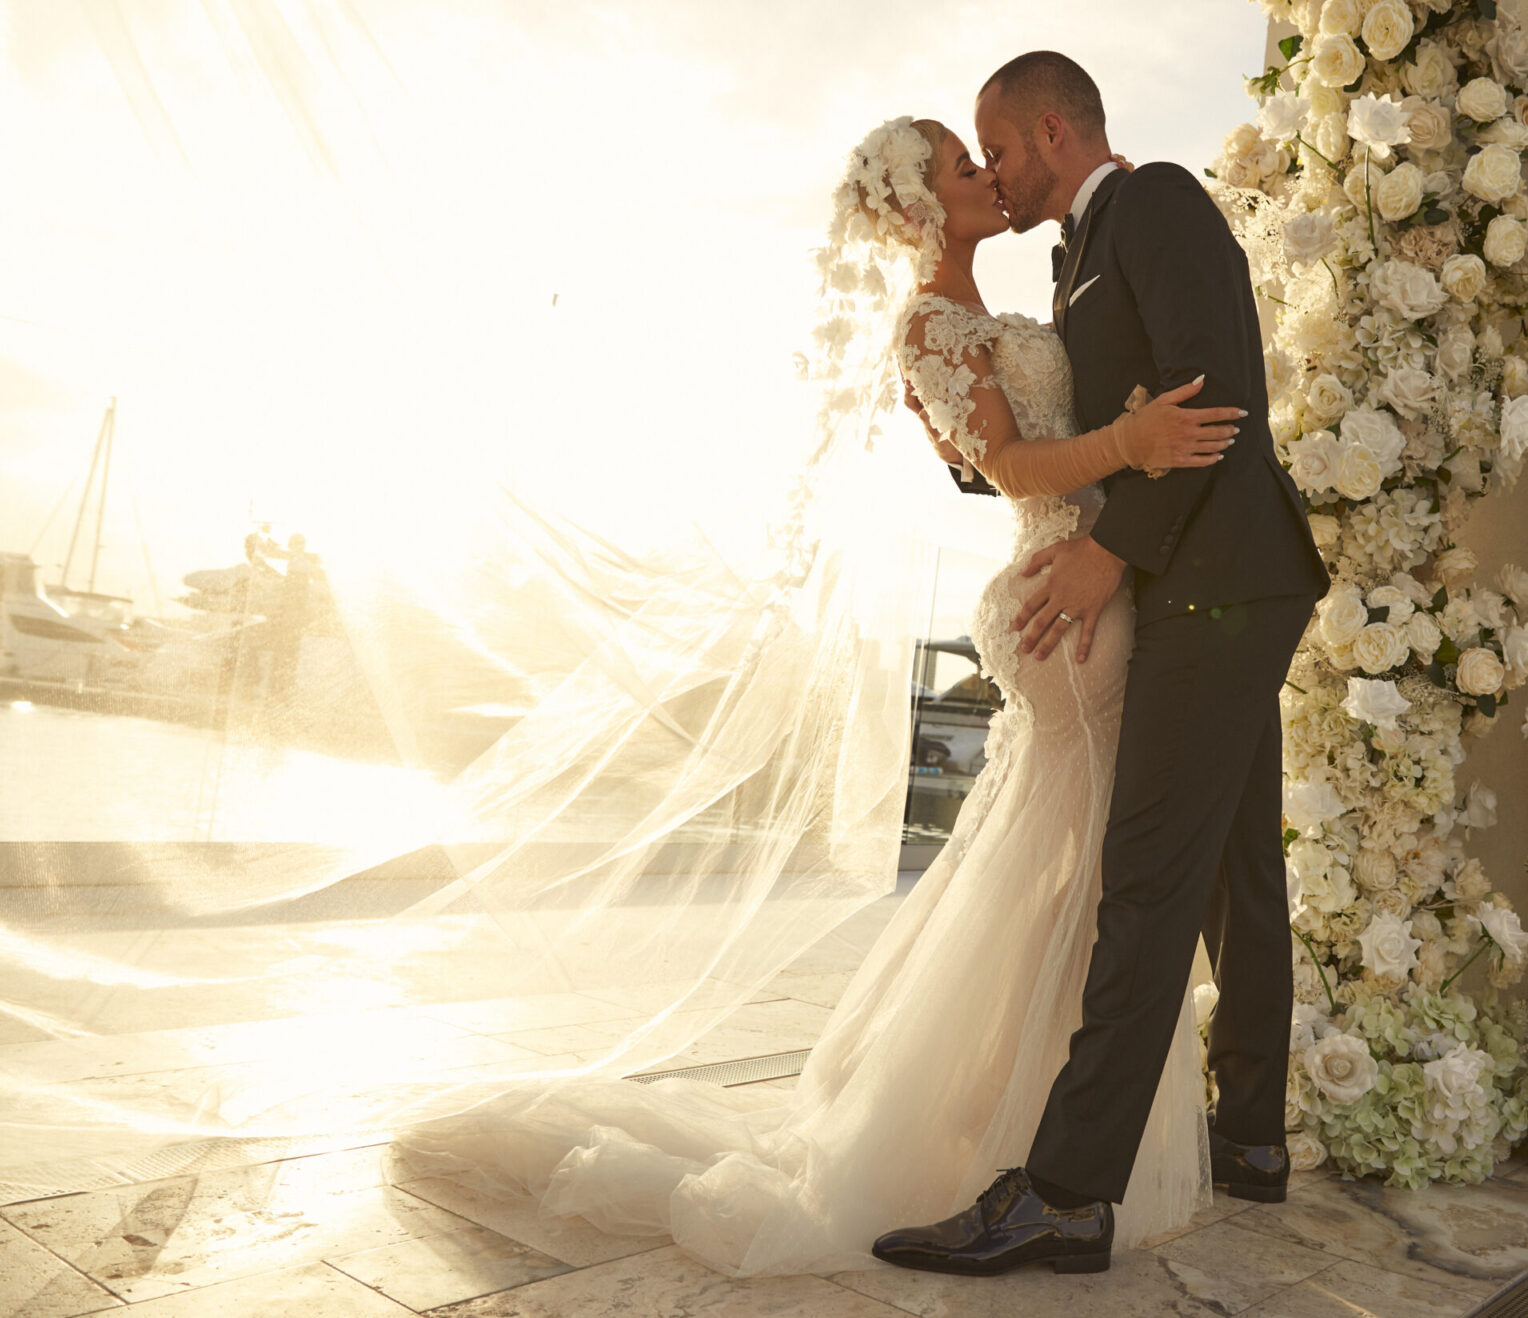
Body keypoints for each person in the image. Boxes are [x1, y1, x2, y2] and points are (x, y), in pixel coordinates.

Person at [395, 103, 1249, 1276]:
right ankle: (1027, 1152)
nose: (987, 174)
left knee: (1073, 874)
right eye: (965, 164)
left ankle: (1018, 1130)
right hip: (1066, 600)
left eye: (987, 154)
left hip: (1091, 582)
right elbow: (1009, 467)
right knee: (1084, 876)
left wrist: (1056, 449)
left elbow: (987, 455)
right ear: (919, 204)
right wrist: (1128, 446)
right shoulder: (932, 327)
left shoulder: (995, 312)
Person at [869, 51, 1328, 1278]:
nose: (995, 176)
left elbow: (1215, 394)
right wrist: (972, 451)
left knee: (1144, 880)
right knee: (1235, 868)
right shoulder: (1079, 253)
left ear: (1053, 128)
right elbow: (1044, 440)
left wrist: (1109, 555)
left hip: (1214, 581)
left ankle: (1068, 1194)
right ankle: (1252, 1139)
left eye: (999, 150)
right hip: (1214, 578)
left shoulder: (1158, 200)